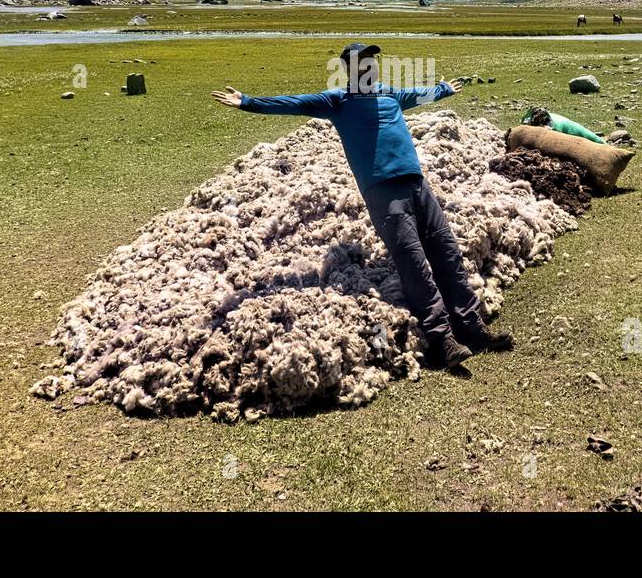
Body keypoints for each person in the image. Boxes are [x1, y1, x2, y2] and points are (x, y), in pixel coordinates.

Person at [211, 42, 514, 369]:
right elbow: (294, 103)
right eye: (360, 64)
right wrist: (248, 102)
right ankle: (443, 340)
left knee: (447, 252)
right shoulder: (337, 101)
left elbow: (420, 94)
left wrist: (442, 89)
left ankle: (473, 328)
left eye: (371, 62)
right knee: (414, 264)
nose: (368, 69)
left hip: (417, 183)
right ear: (350, 70)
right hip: (383, 193)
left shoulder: (389, 94)